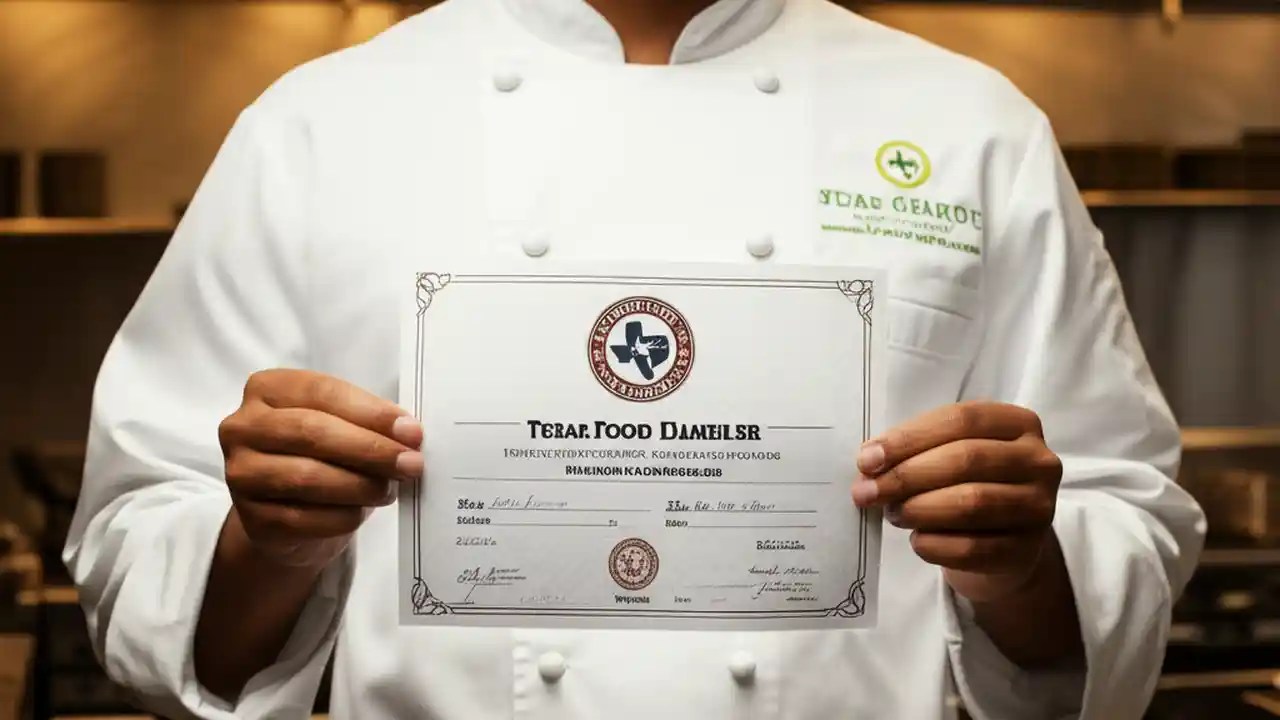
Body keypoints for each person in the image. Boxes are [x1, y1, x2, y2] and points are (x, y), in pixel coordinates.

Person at [65, 0, 1206, 718]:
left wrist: (1022, 569)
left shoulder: (970, 127)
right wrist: (266, 545)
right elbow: (136, 542)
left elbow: (1126, 515)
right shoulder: (319, 125)